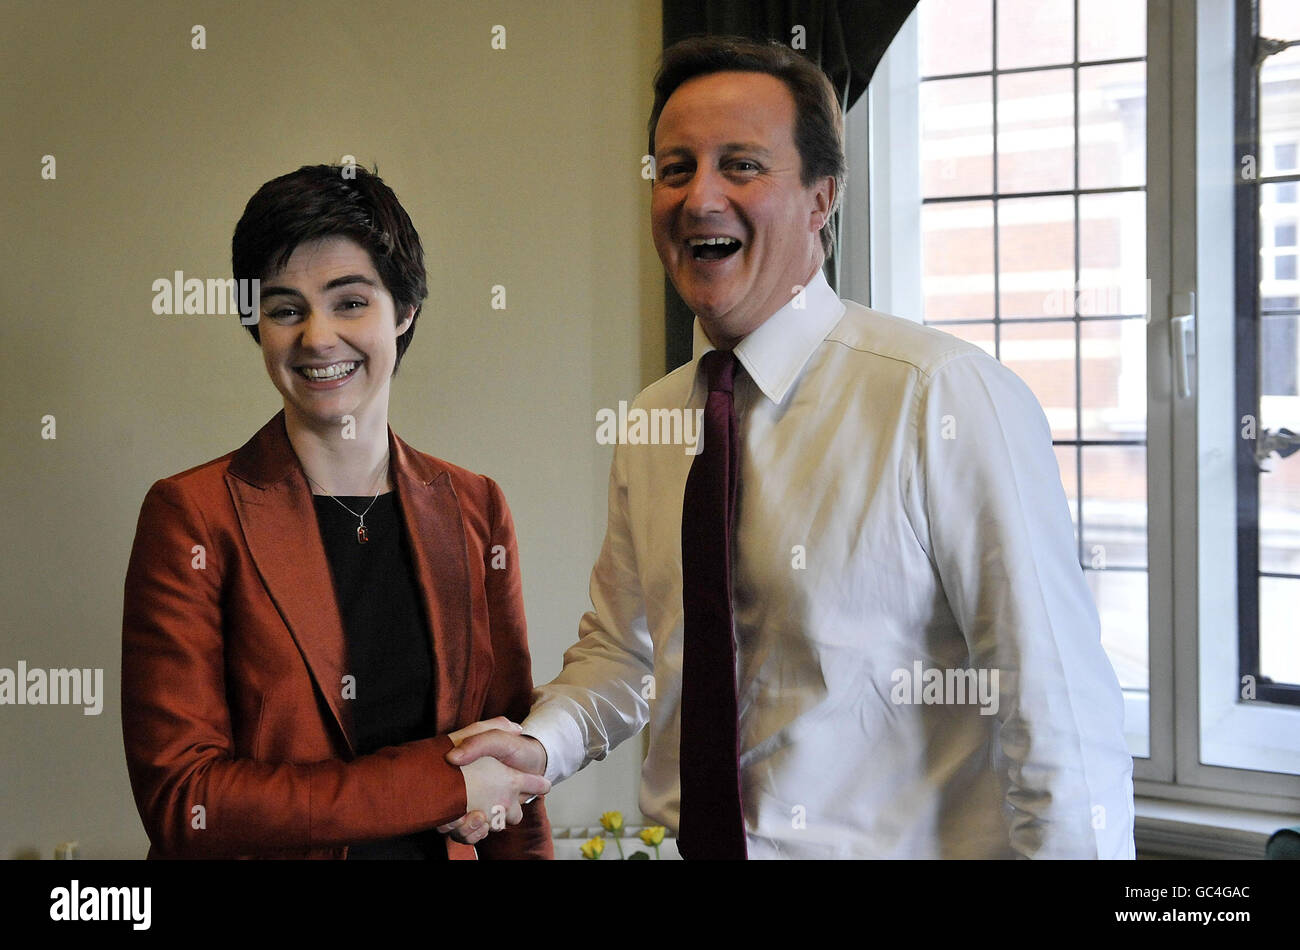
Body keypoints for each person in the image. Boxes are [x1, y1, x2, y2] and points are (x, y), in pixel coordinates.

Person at [444, 36, 1135, 859]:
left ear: (822, 198)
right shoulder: (656, 422)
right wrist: (541, 745)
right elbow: (625, 653)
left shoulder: (941, 397)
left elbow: (1054, 714)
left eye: (741, 165)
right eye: (674, 168)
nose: (700, 196)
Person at [121, 164, 551, 859]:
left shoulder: (476, 509)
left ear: (404, 309)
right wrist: (437, 785)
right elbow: (186, 800)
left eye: (350, 302)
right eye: (286, 308)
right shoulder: (192, 516)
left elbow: (514, 768)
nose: (317, 337)